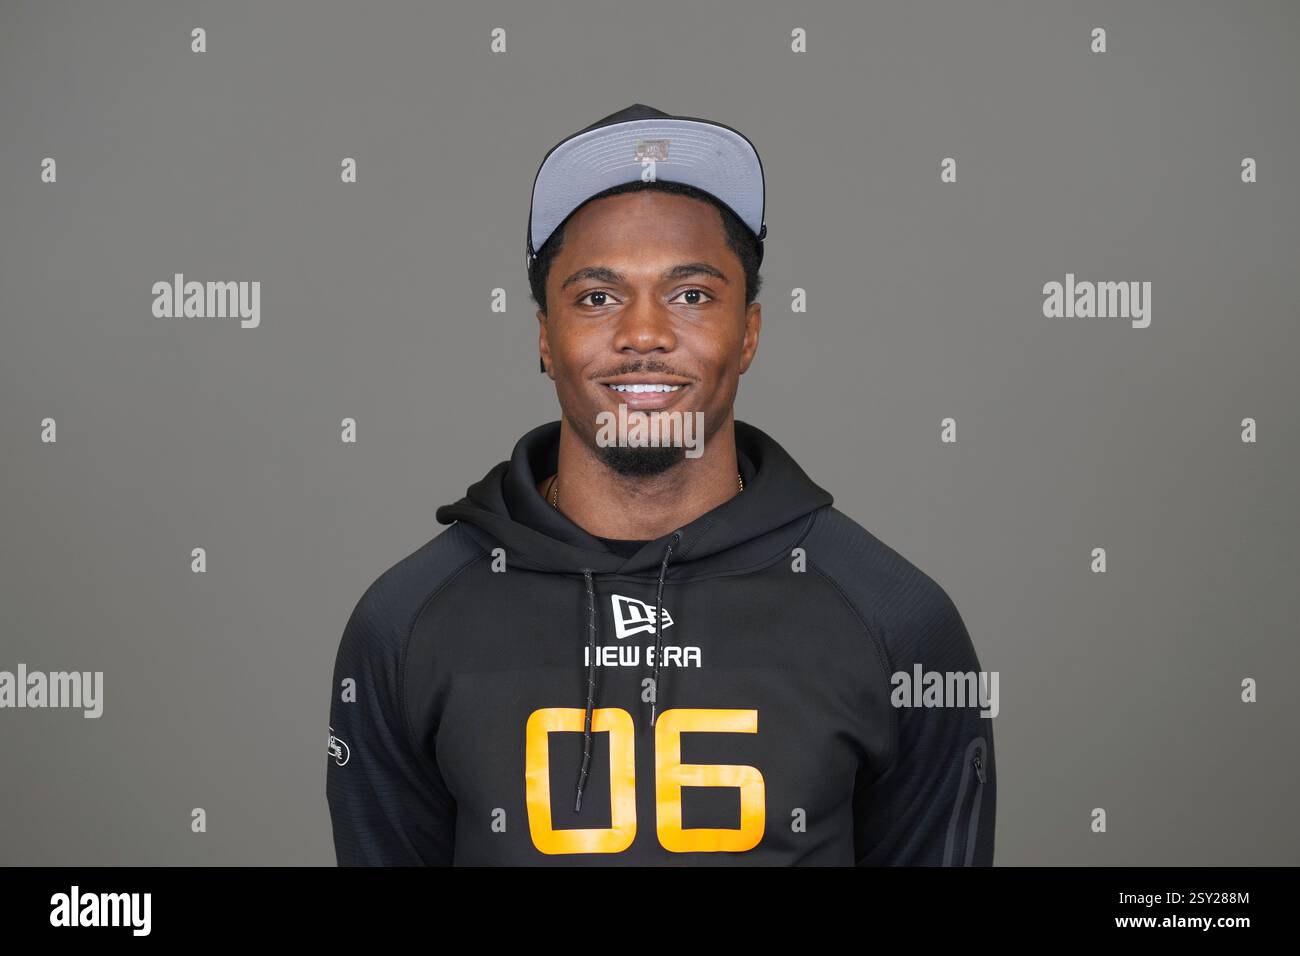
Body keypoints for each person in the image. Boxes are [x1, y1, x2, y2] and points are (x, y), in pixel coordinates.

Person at [326, 103, 996, 865]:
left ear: (748, 332)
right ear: (545, 339)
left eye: (691, 295)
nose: (643, 334)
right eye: (597, 297)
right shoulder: (407, 623)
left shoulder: (897, 622)